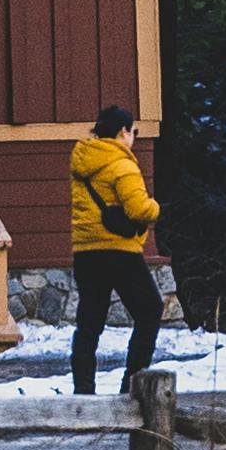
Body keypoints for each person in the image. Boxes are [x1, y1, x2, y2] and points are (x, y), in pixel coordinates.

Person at [68, 106, 165, 395]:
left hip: (86, 251)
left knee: (89, 322)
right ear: (123, 131)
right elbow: (138, 208)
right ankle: (133, 386)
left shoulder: (82, 160)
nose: (133, 137)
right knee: (150, 310)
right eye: (133, 131)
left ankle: (83, 391)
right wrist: (156, 208)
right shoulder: (122, 163)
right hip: (120, 251)